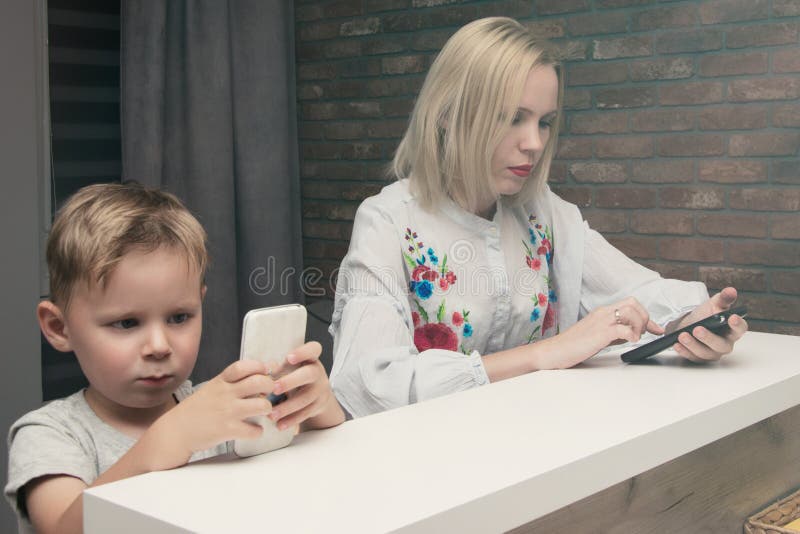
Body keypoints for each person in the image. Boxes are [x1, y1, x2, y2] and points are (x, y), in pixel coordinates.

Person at [328, 17, 748, 418]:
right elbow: (367, 384)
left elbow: (636, 291)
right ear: (447, 114)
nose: (535, 143)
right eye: (512, 118)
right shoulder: (387, 221)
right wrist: (543, 354)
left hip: (541, 450)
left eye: (545, 122)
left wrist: (691, 323)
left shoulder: (542, 213)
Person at [5, 183, 345, 534]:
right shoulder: (51, 434)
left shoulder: (217, 410)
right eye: (127, 323)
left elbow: (326, 471)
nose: (159, 345)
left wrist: (316, 407)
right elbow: (64, 529)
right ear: (59, 327)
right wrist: (168, 440)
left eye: (179, 317)